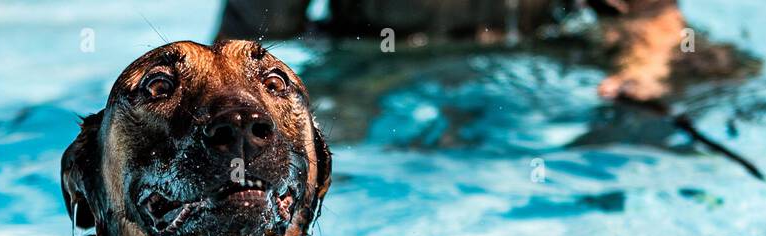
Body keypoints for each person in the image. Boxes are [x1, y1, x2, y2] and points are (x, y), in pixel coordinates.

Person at [217, 0, 692, 101]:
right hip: (370, 69)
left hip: (539, 61)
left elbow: (647, 15)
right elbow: (238, 57)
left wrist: (644, 71)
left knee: (699, 80)